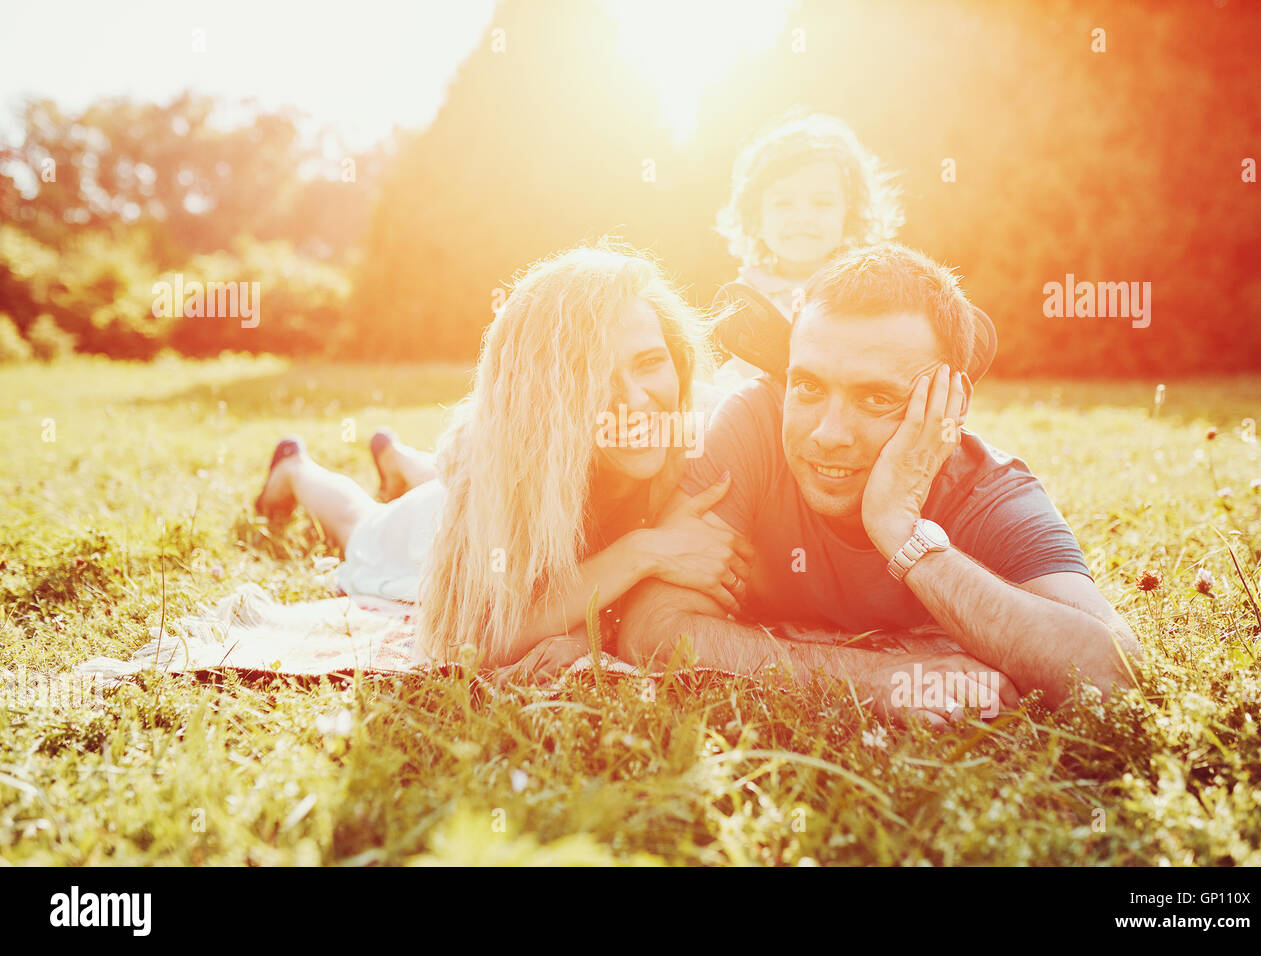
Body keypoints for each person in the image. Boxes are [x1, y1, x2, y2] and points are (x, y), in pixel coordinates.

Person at [618, 242, 1141, 724]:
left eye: (875, 398)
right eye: (808, 386)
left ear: (947, 406)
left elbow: (1115, 676)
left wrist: (900, 530)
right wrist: (875, 678)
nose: (828, 434)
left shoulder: (989, 491)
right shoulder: (754, 424)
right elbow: (649, 631)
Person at [254, 243, 754, 680]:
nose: (637, 401)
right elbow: (463, 641)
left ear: (679, 360)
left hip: (471, 490)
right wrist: (643, 551)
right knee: (361, 526)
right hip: (441, 528)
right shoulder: (506, 469)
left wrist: (591, 628)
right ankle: (296, 468)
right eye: (592, 378)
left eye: (650, 362)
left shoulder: (702, 431)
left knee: (430, 480)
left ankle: (399, 458)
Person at [711, 110, 903, 383]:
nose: (802, 218)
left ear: (848, 212)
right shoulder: (744, 298)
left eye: (822, 203)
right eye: (783, 203)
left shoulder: (863, 291)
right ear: (756, 214)